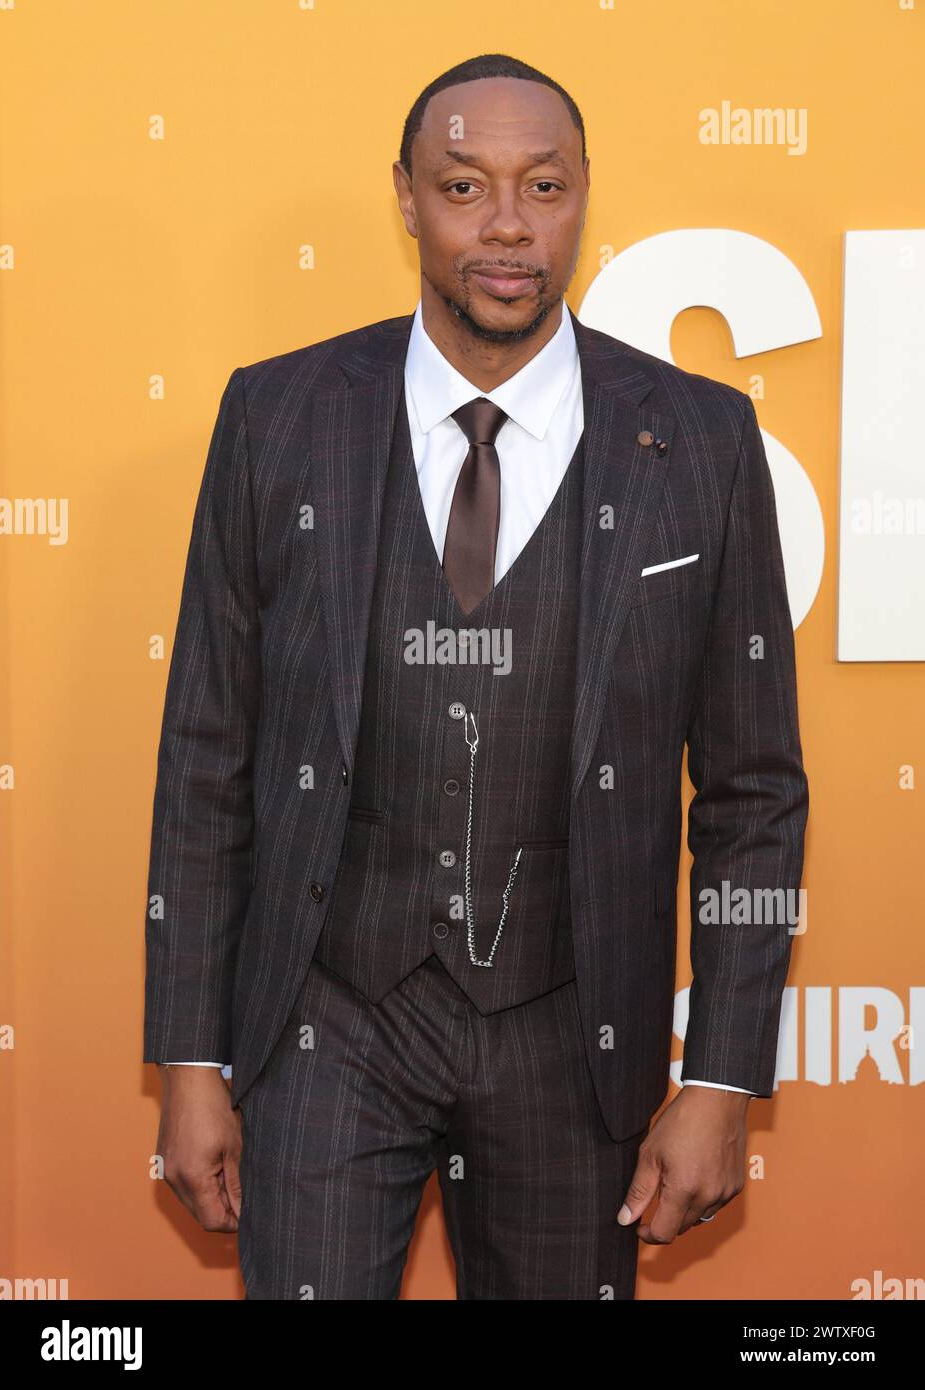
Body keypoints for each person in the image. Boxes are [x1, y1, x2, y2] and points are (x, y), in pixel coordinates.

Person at [144, 52, 809, 1300]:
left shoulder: (701, 440)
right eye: (464, 185)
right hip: (326, 1020)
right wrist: (189, 1057)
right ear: (404, 196)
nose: (507, 224)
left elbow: (753, 794)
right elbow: (206, 758)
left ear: (583, 196)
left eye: (542, 185)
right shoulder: (277, 417)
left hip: (574, 1032)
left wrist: (721, 1076)